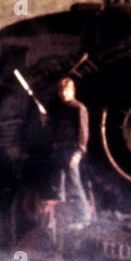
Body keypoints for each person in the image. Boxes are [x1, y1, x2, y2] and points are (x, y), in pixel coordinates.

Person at [47, 76, 90, 225]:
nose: (63, 94)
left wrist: (78, 153)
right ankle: (63, 217)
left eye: (66, 91)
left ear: (72, 91)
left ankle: (84, 217)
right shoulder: (60, 109)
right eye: (61, 91)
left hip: (71, 150)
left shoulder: (79, 109)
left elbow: (83, 133)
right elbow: (54, 130)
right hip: (59, 149)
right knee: (58, 187)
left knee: (74, 184)